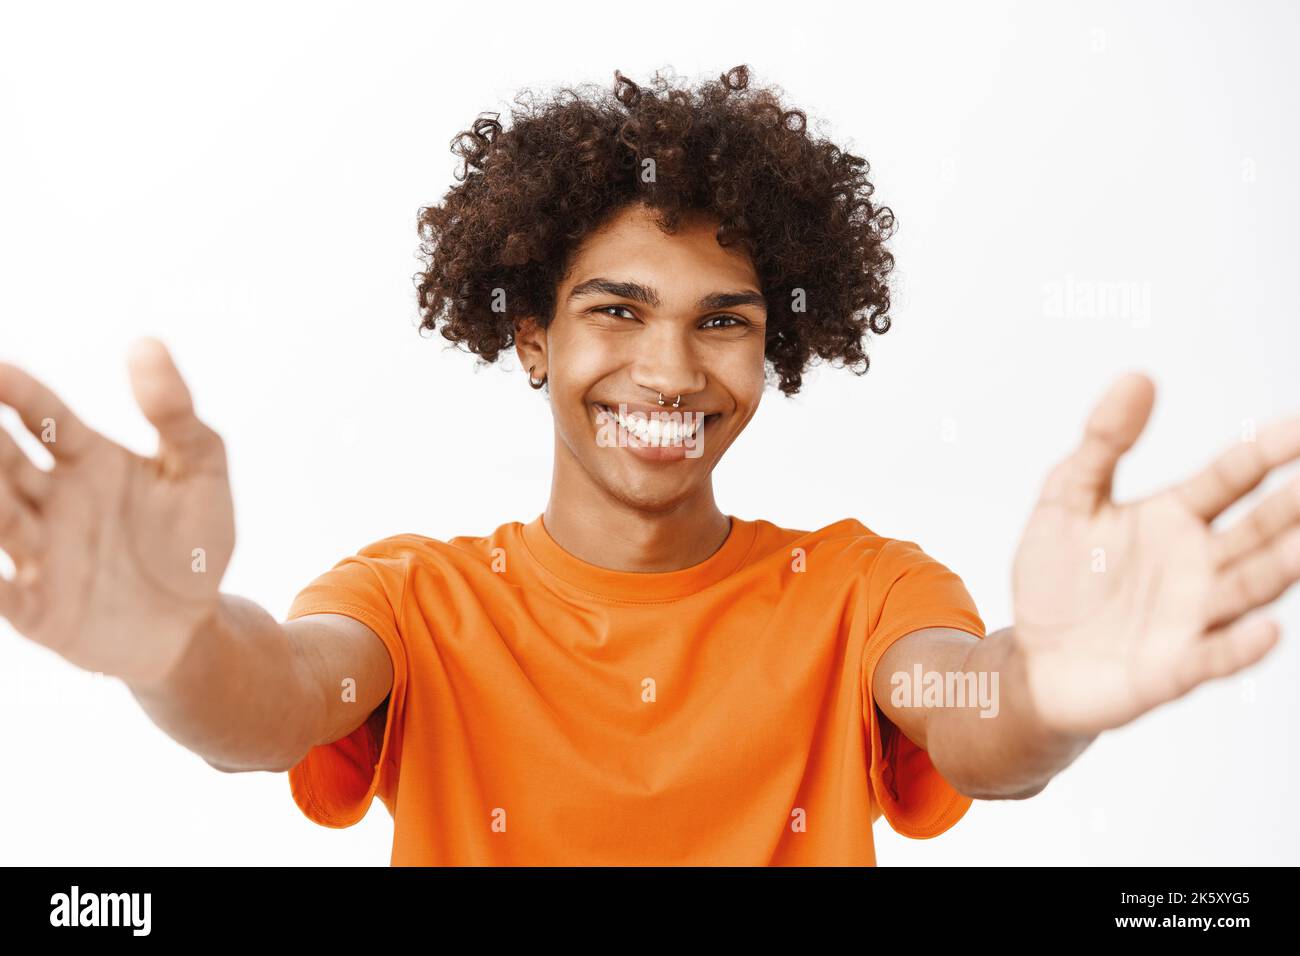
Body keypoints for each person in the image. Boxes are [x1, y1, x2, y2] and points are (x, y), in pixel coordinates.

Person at [1, 66, 1296, 866]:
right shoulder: (417, 601)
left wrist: (1052, 688)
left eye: (721, 320)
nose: (671, 373)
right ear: (529, 338)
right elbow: (271, 695)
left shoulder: (861, 590)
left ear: (773, 344)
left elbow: (974, 708)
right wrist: (170, 644)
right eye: (617, 311)